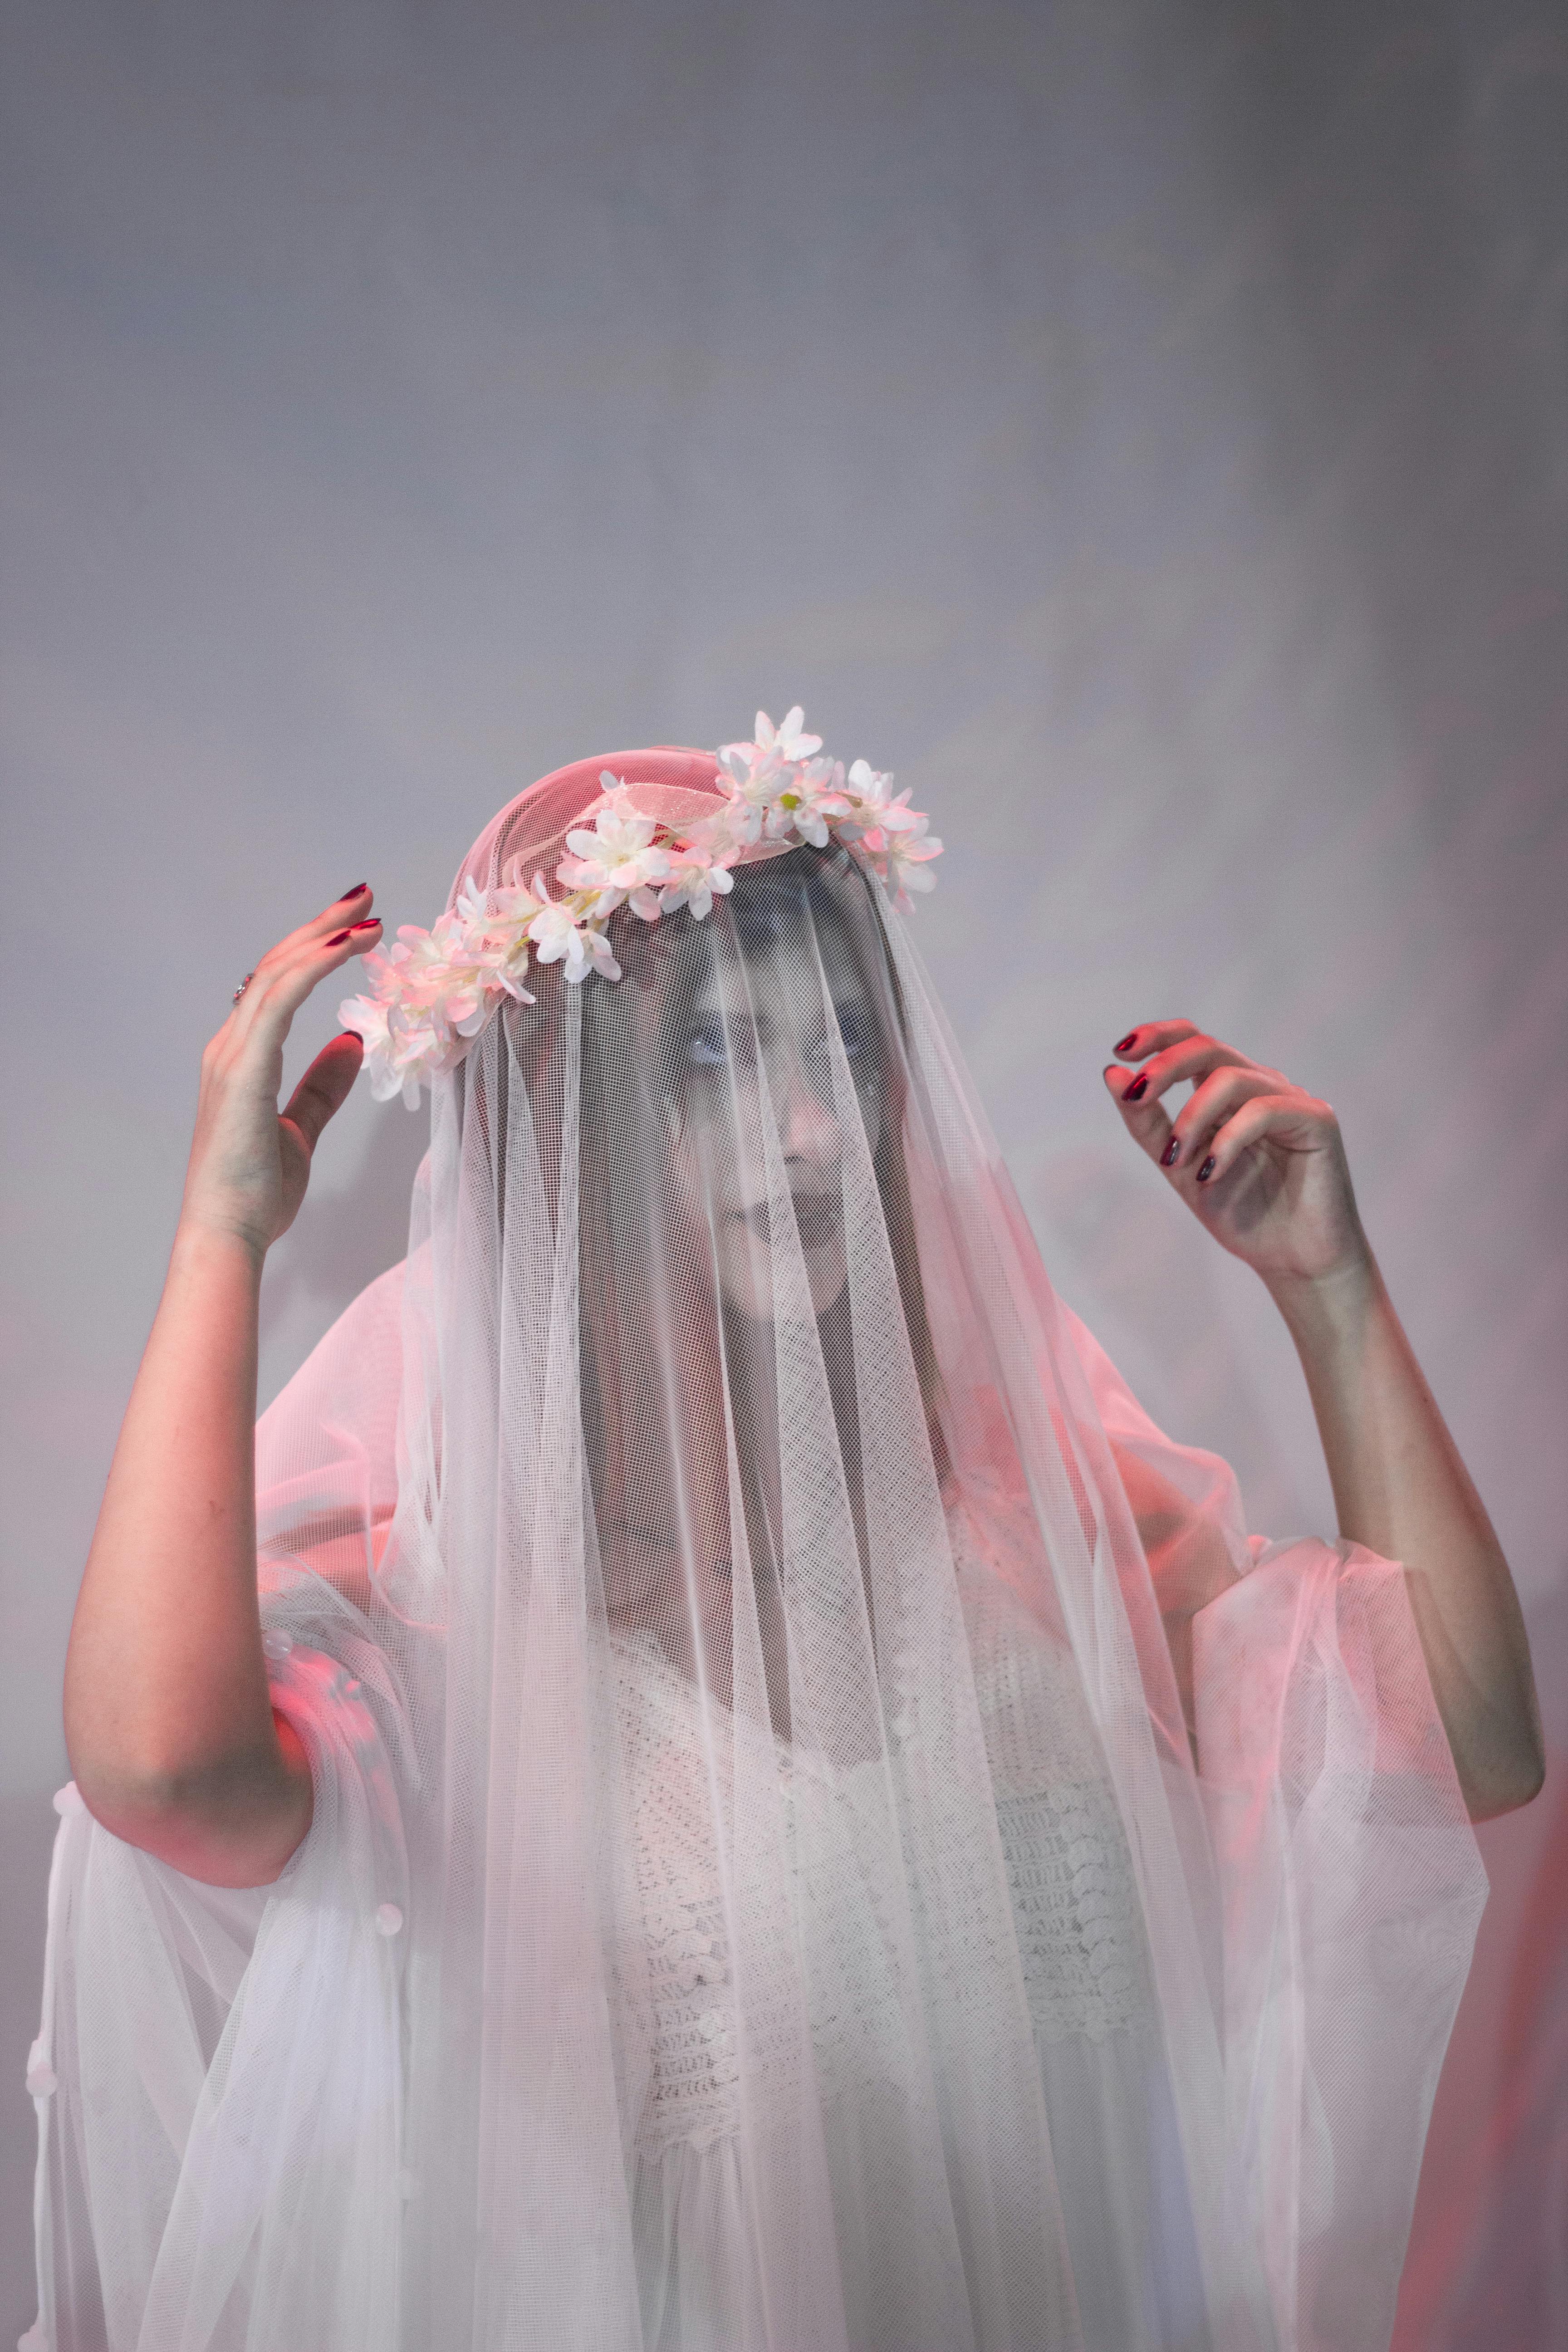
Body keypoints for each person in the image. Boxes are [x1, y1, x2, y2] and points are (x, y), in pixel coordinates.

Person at [27, 720, 1541, 2352]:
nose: (816, 1129)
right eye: (716, 1059)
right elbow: (164, 1778)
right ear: (585, 1133)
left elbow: (1465, 1758)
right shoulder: (465, 1620)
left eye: (843, 1053)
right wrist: (221, 1240)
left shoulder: (1044, 1536)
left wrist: (1330, 1291)